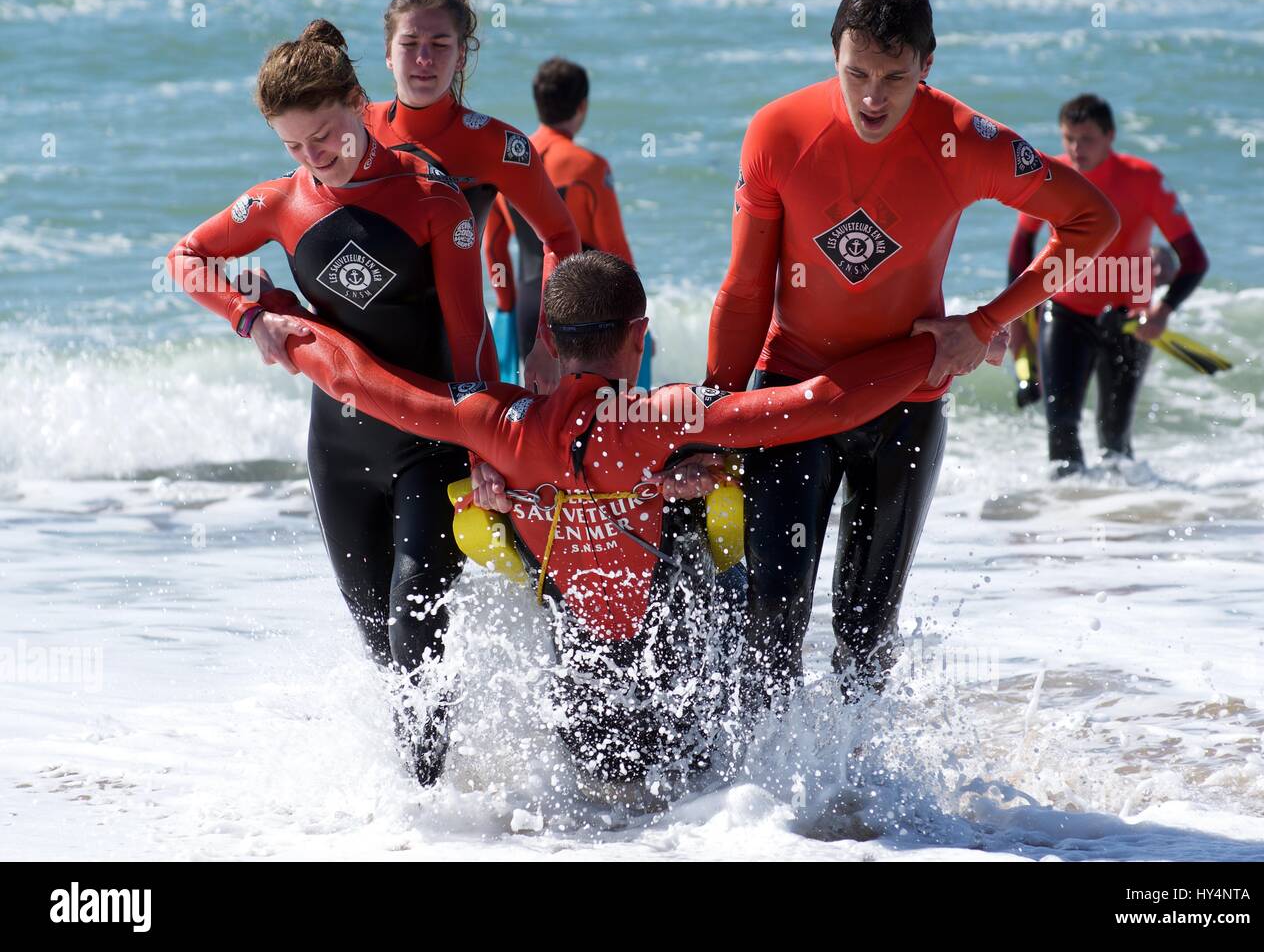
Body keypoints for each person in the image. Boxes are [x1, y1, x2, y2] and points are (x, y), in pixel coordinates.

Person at [253, 251, 944, 807]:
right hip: (690, 716)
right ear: (639, 337)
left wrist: (274, 317)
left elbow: (364, 383)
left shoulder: (496, 425)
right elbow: (821, 404)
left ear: (549, 339)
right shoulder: (662, 417)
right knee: (717, 526)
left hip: (582, 729)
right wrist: (935, 350)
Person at [695, 0, 1120, 703]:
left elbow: (1092, 221)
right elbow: (744, 290)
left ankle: (861, 809)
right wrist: (715, 417)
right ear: (833, 52)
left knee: (866, 637)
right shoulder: (778, 132)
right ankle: (757, 812)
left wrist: (984, 325)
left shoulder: (965, 140)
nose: (870, 98)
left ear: (927, 64)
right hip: (793, 391)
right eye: (855, 72)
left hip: (904, 404)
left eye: (893, 78)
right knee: (770, 623)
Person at [165, 20, 496, 786]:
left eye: (324, 137)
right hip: (340, 451)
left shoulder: (433, 202)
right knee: (381, 641)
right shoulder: (281, 204)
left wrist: (487, 449)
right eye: (293, 147)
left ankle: (431, 815)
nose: (313, 159)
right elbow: (187, 256)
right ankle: (421, 798)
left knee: (418, 620)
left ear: (358, 100)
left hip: (430, 442)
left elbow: (473, 341)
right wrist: (254, 316)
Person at [363, 0, 582, 393]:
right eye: (409, 44)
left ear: (461, 55)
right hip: (359, 370)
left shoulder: (496, 145)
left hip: (457, 365)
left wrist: (548, 344)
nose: (424, 58)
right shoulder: (353, 130)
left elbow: (560, 234)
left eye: (441, 44)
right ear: (388, 54)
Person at [1007, 93, 1209, 475]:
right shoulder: (1048, 175)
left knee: (1114, 438)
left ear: (1110, 136)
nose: (1076, 149)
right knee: (1060, 426)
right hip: (1064, 312)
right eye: (1068, 138)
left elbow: (1195, 260)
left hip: (1129, 320)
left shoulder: (1144, 180)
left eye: (1087, 139)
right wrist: (1018, 324)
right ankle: (1068, 521)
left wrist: (1162, 313)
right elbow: (1020, 250)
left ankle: (1119, 518)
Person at [483, 57, 635, 371]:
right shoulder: (591, 168)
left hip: (528, 307)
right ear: (582, 107)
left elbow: (494, 247)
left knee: (539, 409)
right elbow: (615, 251)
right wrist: (633, 320)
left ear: (538, 102)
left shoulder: (507, 161)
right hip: (587, 314)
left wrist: (506, 310)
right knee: (593, 413)